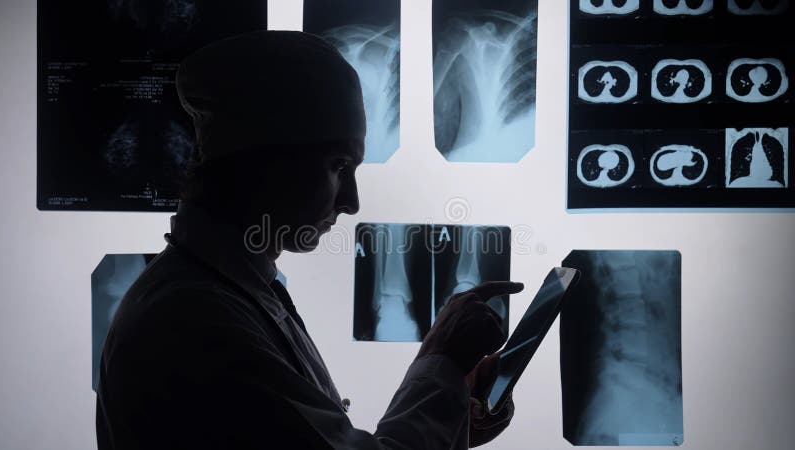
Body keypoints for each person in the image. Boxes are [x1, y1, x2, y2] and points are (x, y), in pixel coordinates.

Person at [96, 30, 523, 449]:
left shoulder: (230, 292)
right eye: (339, 166)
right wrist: (441, 361)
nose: (352, 202)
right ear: (264, 164)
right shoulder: (196, 323)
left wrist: (450, 416)